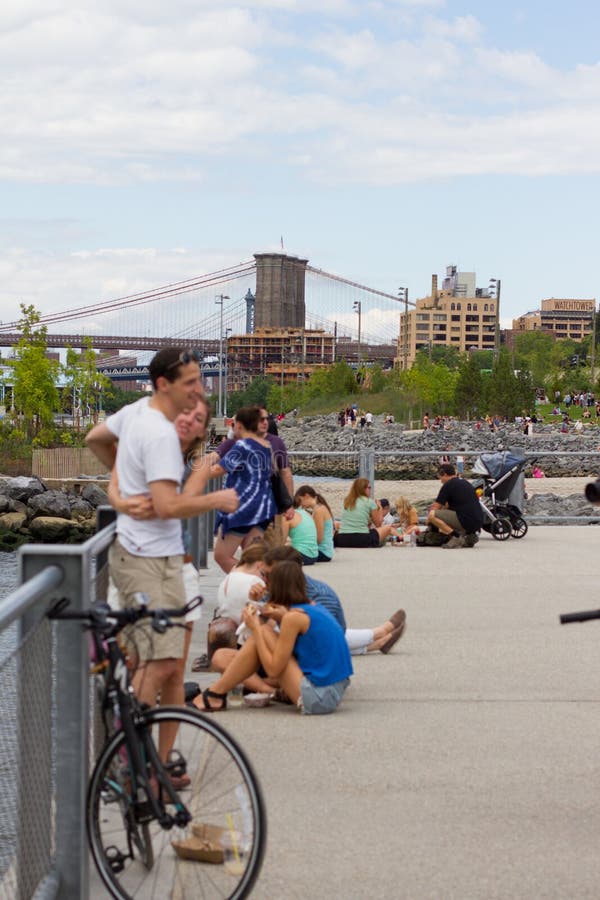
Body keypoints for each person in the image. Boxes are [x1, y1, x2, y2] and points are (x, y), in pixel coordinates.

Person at [85, 348, 238, 751]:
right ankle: (132, 751)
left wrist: (119, 490)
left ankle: (150, 759)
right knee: (159, 664)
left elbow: (96, 439)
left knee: (169, 666)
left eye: (199, 384)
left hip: (164, 559)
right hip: (147, 561)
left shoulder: (142, 418)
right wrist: (216, 499)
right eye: (190, 383)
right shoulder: (156, 433)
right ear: (164, 385)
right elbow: (170, 506)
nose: (198, 391)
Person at [193, 560, 353, 715]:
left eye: (265, 577)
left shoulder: (293, 618)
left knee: (261, 634)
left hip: (319, 697)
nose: (264, 584)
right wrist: (273, 618)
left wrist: (256, 628)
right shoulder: (310, 607)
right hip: (331, 689)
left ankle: (214, 694)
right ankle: (218, 693)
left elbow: (274, 669)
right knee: (260, 635)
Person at [188, 405, 276, 574]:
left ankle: (254, 584)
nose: (231, 427)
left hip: (242, 507)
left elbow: (218, 470)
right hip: (263, 507)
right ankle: (260, 587)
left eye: (233, 423)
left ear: (240, 426)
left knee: (222, 556)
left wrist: (194, 469)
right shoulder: (266, 445)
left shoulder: (242, 446)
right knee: (253, 558)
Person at [426, 463, 483, 549]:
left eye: (440, 478)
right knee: (444, 512)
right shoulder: (464, 482)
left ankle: (456, 537)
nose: (441, 481)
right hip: (477, 522)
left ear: (444, 474)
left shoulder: (448, 485)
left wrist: (429, 521)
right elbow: (446, 506)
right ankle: (468, 535)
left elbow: (435, 507)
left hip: (465, 520)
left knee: (432, 515)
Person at [334, 478, 397, 547]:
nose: (370, 490)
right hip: (361, 539)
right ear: (362, 489)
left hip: (342, 539)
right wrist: (380, 508)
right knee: (388, 528)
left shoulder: (347, 501)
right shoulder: (369, 502)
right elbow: (378, 524)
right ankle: (401, 537)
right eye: (369, 488)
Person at [294, 484, 335, 561]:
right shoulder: (318, 508)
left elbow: (318, 539)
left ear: (306, 496)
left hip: (323, 552)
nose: (300, 504)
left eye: (300, 500)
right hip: (325, 551)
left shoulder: (319, 511)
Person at [281, 499, 319, 565]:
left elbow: (282, 541)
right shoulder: (307, 513)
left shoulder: (287, 517)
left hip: (301, 555)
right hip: (314, 556)